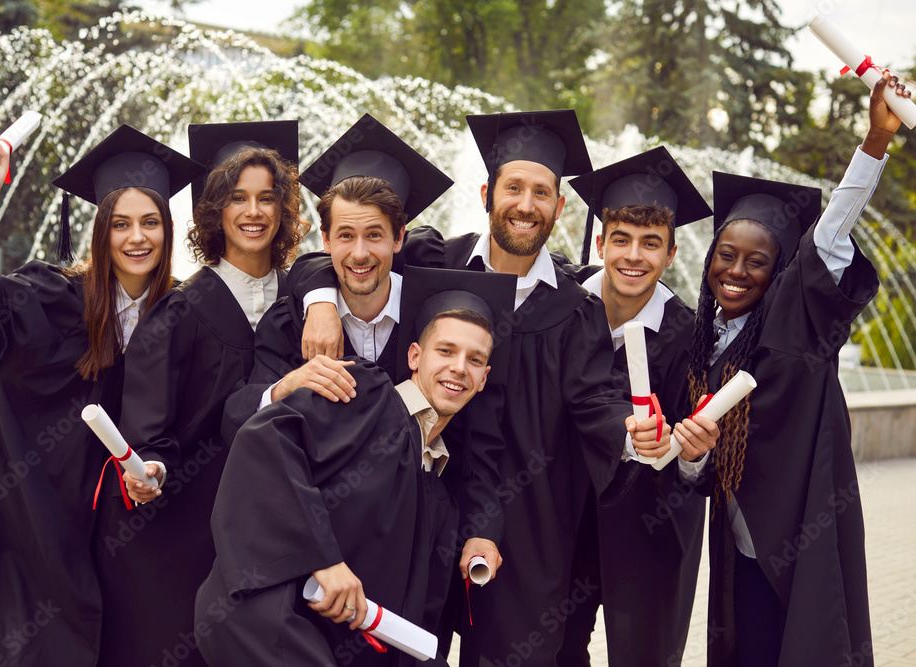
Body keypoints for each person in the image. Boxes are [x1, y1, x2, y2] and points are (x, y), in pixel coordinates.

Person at [296, 109, 676, 664]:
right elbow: (342, 252)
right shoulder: (434, 260)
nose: (526, 204)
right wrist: (320, 301)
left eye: (542, 192)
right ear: (486, 194)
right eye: (514, 188)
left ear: (559, 207)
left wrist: (632, 431)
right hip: (415, 508)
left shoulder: (576, 308)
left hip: (522, 529)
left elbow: (598, 398)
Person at [0, 124, 203, 666]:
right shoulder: (57, 298)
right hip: (43, 522)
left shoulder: (183, 313)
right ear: (100, 232)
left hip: (132, 534)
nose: (137, 238)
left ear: (168, 230)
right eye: (121, 224)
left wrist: (157, 468)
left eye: (151, 223)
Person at [681, 70, 910, 667]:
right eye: (725, 256)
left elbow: (830, 235)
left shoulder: (797, 322)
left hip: (800, 540)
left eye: (758, 261)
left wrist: (874, 142)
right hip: (738, 547)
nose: (736, 271)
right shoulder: (705, 343)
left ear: (781, 273)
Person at [194, 267, 516, 666]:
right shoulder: (363, 394)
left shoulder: (436, 485)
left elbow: (411, 613)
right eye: (446, 351)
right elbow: (265, 443)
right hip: (269, 617)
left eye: (475, 359)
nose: (458, 368)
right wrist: (323, 559)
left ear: (484, 379)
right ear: (415, 356)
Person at [92, 121, 308, 667]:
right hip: (181, 533)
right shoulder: (180, 311)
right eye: (237, 198)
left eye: (267, 198)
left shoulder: (305, 297)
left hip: (278, 535)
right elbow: (148, 429)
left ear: (285, 209)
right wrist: (154, 468)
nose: (253, 212)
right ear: (214, 211)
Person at [555, 146, 719, 666]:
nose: (633, 256)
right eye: (621, 240)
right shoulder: (557, 303)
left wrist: (693, 455)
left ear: (671, 254)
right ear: (600, 242)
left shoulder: (689, 335)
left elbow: (699, 459)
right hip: (558, 521)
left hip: (647, 526)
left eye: (651, 245)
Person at [220, 113, 452, 430]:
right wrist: (288, 385)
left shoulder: (434, 318)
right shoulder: (288, 324)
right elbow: (236, 424)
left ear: (399, 237)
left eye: (374, 234)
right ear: (325, 240)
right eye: (345, 235)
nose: (359, 254)